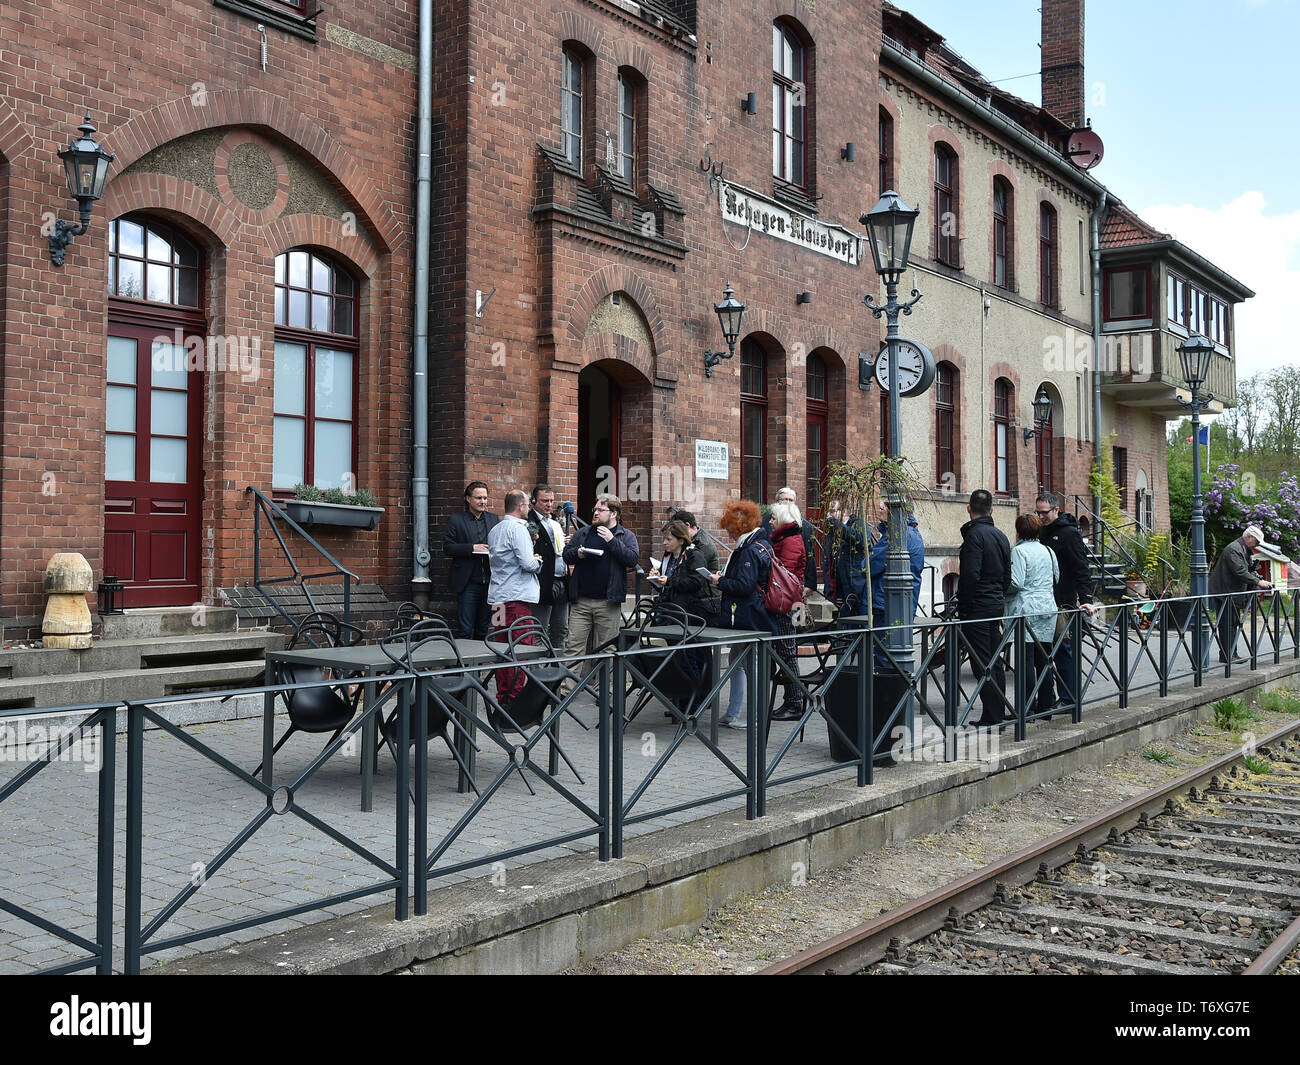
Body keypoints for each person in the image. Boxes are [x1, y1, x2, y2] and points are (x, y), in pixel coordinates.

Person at [707, 500, 775, 729]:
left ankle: (754, 717)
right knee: (739, 663)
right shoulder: (760, 545)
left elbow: (745, 586)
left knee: (747, 665)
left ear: (740, 527)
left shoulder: (748, 550)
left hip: (748, 616)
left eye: (729, 530)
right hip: (752, 615)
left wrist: (721, 581)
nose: (727, 535)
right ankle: (734, 712)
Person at [562, 494, 640, 674]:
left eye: (601, 510)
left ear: (613, 514)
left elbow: (632, 559)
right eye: (595, 509)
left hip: (608, 601)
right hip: (581, 600)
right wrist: (578, 554)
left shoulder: (625, 535)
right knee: (573, 647)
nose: (596, 513)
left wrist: (612, 541)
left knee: (607, 650)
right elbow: (567, 554)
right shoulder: (584, 532)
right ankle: (566, 692)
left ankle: (605, 694)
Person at [1036, 491, 1096, 708]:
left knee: (1063, 651)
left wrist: (1086, 598)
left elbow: (1082, 568)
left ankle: (1069, 698)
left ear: (1056, 510)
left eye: (1044, 513)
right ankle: (1046, 699)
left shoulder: (1069, 534)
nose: (1041, 516)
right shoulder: (1041, 532)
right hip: (1044, 600)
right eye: (1038, 512)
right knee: (1044, 652)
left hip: (1063, 602)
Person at [957, 489, 1012, 725]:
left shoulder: (974, 536)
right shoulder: (1000, 535)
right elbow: (1008, 576)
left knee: (982, 662)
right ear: (992, 510)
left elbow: (969, 575)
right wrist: (998, 594)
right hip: (995, 603)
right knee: (994, 660)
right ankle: (995, 712)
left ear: (969, 508)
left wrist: (965, 606)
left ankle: (993, 715)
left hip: (978, 606)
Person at [486, 490, 542, 706]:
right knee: (518, 649)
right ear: (520, 506)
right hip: (516, 600)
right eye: (528, 505)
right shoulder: (518, 530)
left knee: (502, 648)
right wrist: (538, 560)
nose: (529, 508)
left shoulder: (495, 529)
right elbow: (527, 564)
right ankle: (515, 701)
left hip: (498, 598)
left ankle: (503, 697)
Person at [1007, 513, 1060, 716]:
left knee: (1025, 660)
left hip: (1026, 609)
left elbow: (1016, 582)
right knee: (1044, 658)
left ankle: (1025, 707)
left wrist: (1003, 589)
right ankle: (1046, 704)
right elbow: (1056, 577)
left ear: (1019, 531)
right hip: (1047, 606)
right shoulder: (1048, 550)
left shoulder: (1018, 552)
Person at [767, 500, 808, 721]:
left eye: (773, 518)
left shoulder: (790, 541)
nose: (770, 522)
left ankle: (794, 702)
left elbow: (783, 577)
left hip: (786, 604)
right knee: (785, 650)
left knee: (787, 652)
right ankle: (792, 700)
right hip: (788, 603)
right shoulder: (787, 538)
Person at [1209, 524, 1273, 662]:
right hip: (1225, 593)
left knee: (1232, 624)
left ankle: (1231, 653)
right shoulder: (1234, 549)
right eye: (1256, 542)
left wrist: (1257, 577)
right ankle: (1227, 655)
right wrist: (1259, 582)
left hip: (1230, 592)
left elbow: (1245, 570)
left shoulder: (1242, 549)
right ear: (1248, 537)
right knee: (1227, 624)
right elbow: (1240, 571)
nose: (1256, 545)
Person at [443, 480, 499, 639]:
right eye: (479, 498)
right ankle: (463, 664)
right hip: (467, 583)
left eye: (485, 498)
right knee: (465, 629)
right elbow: (448, 547)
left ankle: (482, 663)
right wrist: (472, 548)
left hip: (489, 582)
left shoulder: (493, 519)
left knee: (484, 628)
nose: (483, 502)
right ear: (468, 498)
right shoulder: (456, 520)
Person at [651, 518, 718, 623]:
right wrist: (657, 579)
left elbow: (696, 582)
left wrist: (668, 581)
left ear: (681, 540)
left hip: (687, 612)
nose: (664, 543)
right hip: (668, 607)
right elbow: (666, 584)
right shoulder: (668, 555)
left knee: (678, 638)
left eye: (669, 539)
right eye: (664, 539)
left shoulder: (694, 555)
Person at [528, 484, 568, 648]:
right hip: (544, 581)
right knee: (540, 630)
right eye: (545, 501)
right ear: (534, 501)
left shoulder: (555, 523)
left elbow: (558, 550)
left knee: (561, 629)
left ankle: (556, 669)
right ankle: (538, 672)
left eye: (551, 501)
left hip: (562, 580)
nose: (549, 505)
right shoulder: (529, 521)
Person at [765, 487, 818, 592]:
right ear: (777, 502)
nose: (787, 503)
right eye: (784, 499)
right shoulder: (767, 521)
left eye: (791, 500)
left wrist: (810, 583)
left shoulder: (804, 526)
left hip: (786, 585)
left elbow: (809, 554)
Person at [672, 509, 720, 575]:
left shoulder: (704, 544)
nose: (677, 534)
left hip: (705, 582)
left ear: (687, 525)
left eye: (678, 530)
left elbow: (694, 569)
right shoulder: (691, 539)